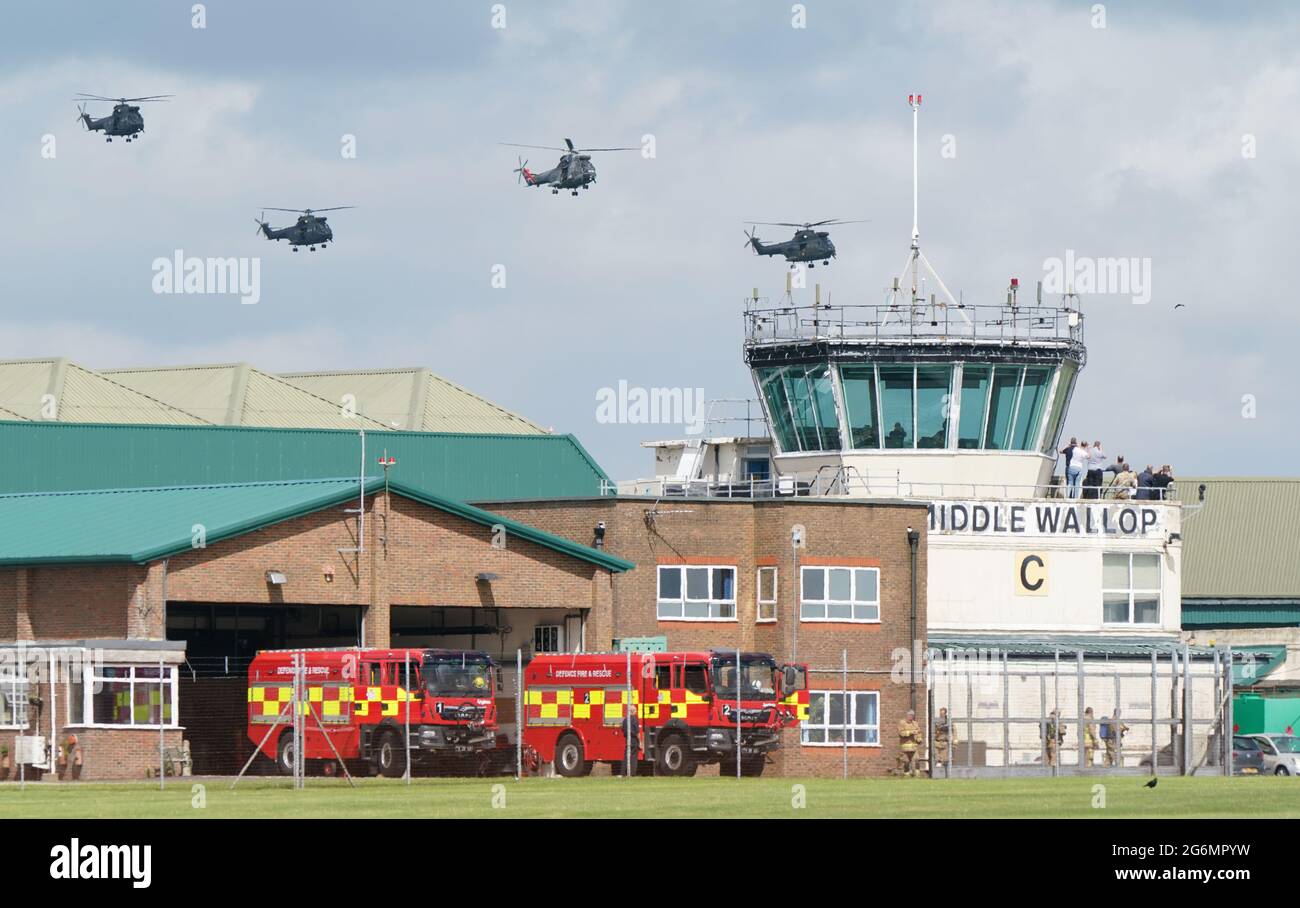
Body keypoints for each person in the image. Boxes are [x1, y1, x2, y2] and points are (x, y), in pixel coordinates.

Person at [897, 709, 923, 777]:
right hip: (905, 748)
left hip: (914, 747)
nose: (911, 717)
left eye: (912, 715)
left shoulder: (915, 723)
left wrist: (919, 738)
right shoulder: (902, 723)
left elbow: (919, 732)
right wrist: (910, 732)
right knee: (906, 761)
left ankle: (917, 775)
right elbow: (901, 733)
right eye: (910, 715)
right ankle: (906, 774)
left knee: (916, 760)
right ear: (907, 715)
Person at [932, 707, 953, 772]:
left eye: (943, 713)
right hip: (937, 742)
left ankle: (945, 772)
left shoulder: (948, 721)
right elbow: (933, 731)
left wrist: (954, 740)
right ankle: (937, 772)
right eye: (940, 713)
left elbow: (953, 730)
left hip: (944, 742)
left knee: (944, 759)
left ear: (945, 714)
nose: (941, 715)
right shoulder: (936, 721)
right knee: (937, 757)